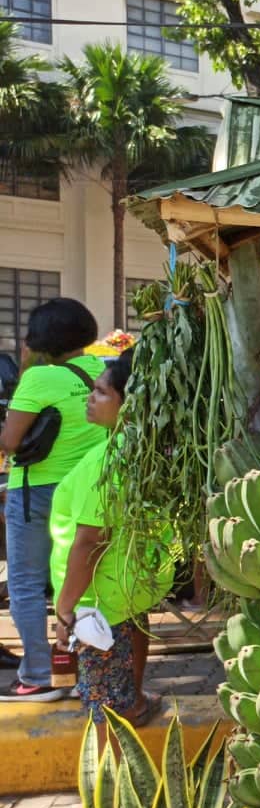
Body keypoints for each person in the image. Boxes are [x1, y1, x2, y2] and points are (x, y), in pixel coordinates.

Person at [50, 351, 174, 726]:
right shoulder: (149, 452)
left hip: (98, 601)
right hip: (132, 582)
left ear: (130, 404)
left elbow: (90, 543)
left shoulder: (104, 463)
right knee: (135, 625)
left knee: (106, 715)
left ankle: (113, 777)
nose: (91, 398)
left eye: (102, 392)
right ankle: (134, 698)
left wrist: (66, 609)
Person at [0, 299, 104, 700]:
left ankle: (40, 675)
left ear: (40, 338)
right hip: (89, 490)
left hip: (39, 492)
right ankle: (87, 672)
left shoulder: (39, 379)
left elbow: (10, 442)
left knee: (26, 584)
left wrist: (27, 368)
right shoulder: (101, 371)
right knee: (83, 581)